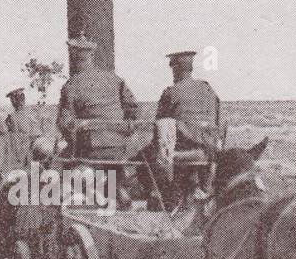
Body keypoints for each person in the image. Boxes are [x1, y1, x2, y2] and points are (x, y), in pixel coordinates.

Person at [56, 35, 139, 162]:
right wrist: (125, 132)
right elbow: (133, 107)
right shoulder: (114, 78)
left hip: (90, 150)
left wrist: (71, 146)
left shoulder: (71, 85)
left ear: (72, 57)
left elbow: (65, 124)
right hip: (118, 147)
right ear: (92, 55)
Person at [155, 49, 223, 201]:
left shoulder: (171, 92)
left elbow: (160, 124)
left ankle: (161, 196)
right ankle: (197, 189)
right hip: (208, 152)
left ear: (175, 69)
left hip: (182, 154)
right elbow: (218, 121)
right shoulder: (208, 89)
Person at [3, 87, 43, 172]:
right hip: (34, 155)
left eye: (12, 100)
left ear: (14, 102)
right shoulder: (32, 115)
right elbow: (38, 134)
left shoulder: (11, 118)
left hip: (18, 157)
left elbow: (4, 133)